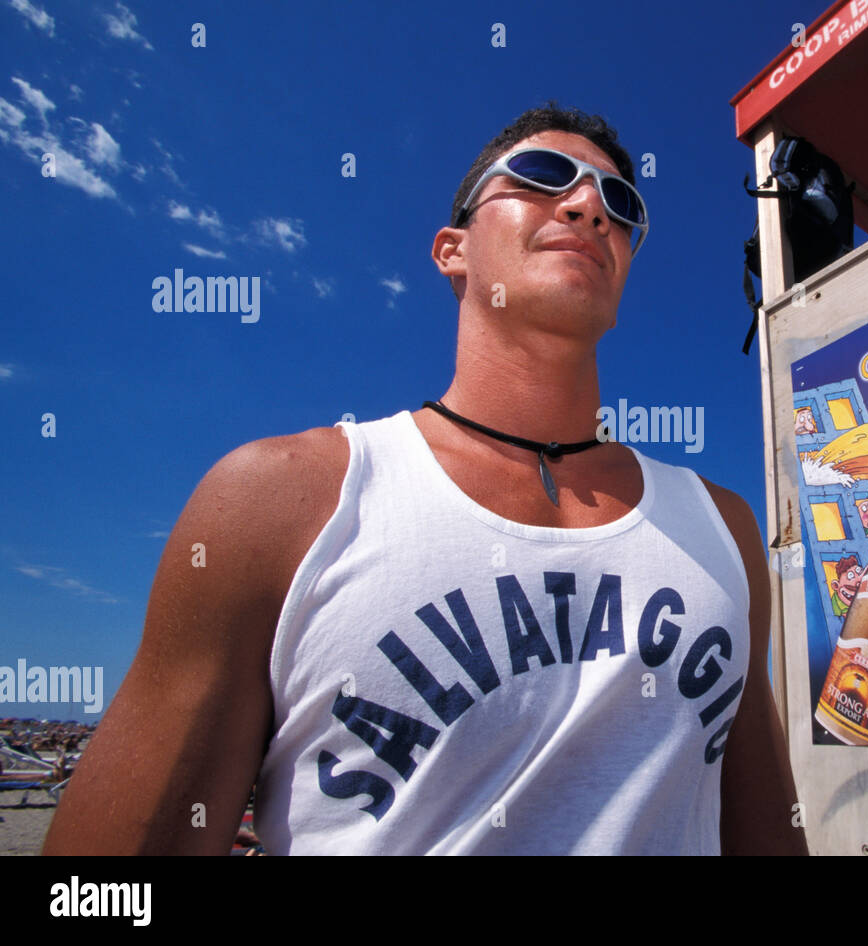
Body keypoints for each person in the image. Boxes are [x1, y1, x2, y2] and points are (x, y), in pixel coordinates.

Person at [44, 104, 807, 855]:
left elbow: (766, 826)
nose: (586, 205)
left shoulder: (724, 528)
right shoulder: (278, 500)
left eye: (620, 202)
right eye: (543, 176)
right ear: (452, 250)